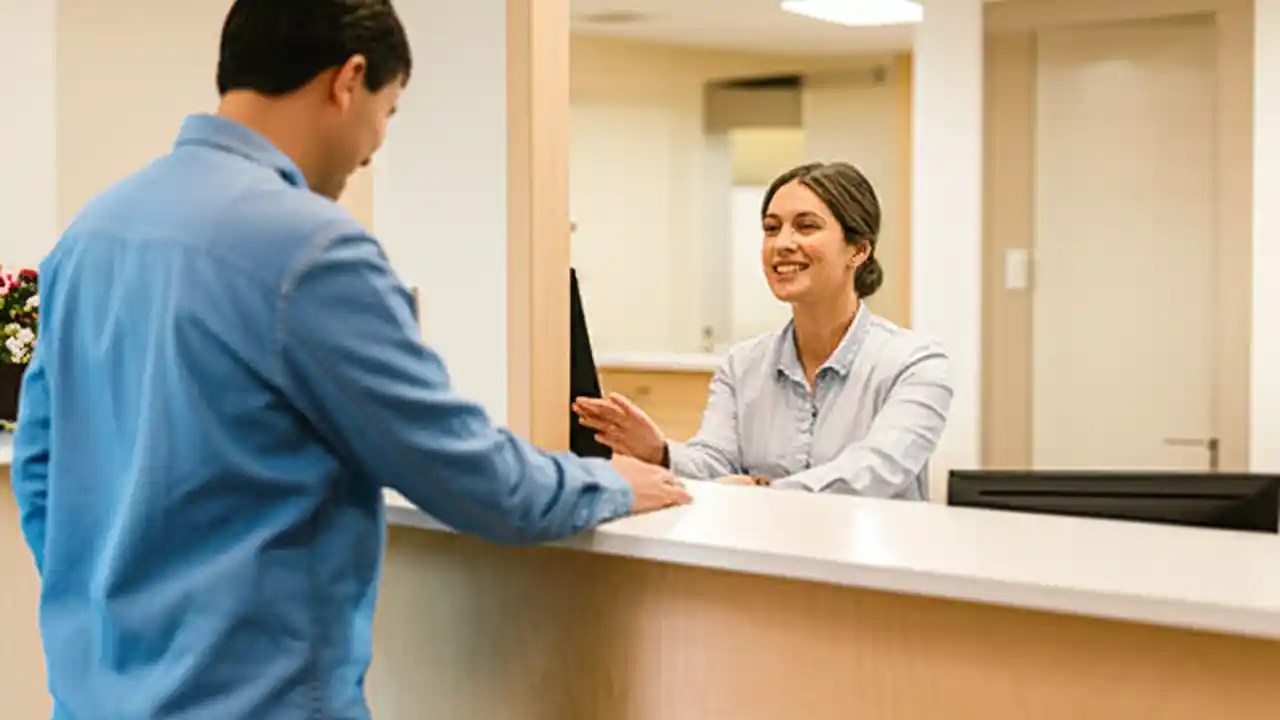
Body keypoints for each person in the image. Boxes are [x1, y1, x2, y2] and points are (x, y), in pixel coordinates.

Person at [9, 1, 689, 718]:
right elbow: (469, 475)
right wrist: (605, 484)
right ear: (348, 80)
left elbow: (40, 466)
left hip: (93, 699)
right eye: (387, 113)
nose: (373, 147)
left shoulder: (93, 232)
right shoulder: (310, 249)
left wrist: (107, 627)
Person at [575, 161, 952, 499]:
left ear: (858, 251)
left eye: (806, 226)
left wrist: (764, 493)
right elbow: (717, 462)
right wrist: (660, 452)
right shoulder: (743, 365)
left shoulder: (916, 364)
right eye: (772, 229)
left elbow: (874, 472)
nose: (782, 244)